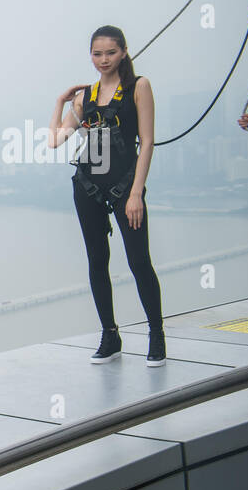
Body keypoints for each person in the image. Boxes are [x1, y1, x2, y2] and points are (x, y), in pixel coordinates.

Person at [47, 25, 166, 367]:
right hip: (87, 187)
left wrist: (136, 194)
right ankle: (110, 335)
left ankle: (156, 334)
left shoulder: (138, 87)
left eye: (110, 53)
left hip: (125, 187)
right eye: (97, 54)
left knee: (138, 261)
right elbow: (56, 140)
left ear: (124, 52)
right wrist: (61, 102)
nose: (103, 60)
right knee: (97, 261)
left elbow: (147, 143)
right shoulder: (86, 96)